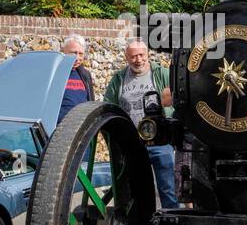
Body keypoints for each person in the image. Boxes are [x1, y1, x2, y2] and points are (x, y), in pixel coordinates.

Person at [103, 38, 177, 208]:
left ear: (147, 54)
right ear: (126, 58)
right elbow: (108, 107)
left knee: (168, 188)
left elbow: (179, 100)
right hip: (132, 142)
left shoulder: (162, 74)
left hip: (160, 141)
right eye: (133, 56)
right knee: (136, 190)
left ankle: (171, 223)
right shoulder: (119, 79)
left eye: (141, 55)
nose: (138, 60)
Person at [57, 34, 94, 124]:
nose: (77, 58)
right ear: (62, 51)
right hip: (58, 132)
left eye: (80, 54)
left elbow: (91, 102)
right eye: (73, 53)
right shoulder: (55, 73)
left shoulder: (85, 75)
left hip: (80, 131)